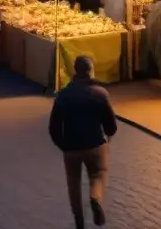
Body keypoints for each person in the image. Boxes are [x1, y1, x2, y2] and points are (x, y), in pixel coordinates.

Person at [49, 55, 118, 229]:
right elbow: (111, 126)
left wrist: (62, 144)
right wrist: (108, 136)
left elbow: (53, 127)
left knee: (73, 182)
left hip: (71, 148)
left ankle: (79, 220)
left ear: (75, 71)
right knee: (98, 174)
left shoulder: (63, 96)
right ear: (90, 71)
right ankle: (95, 199)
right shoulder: (100, 94)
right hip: (95, 144)